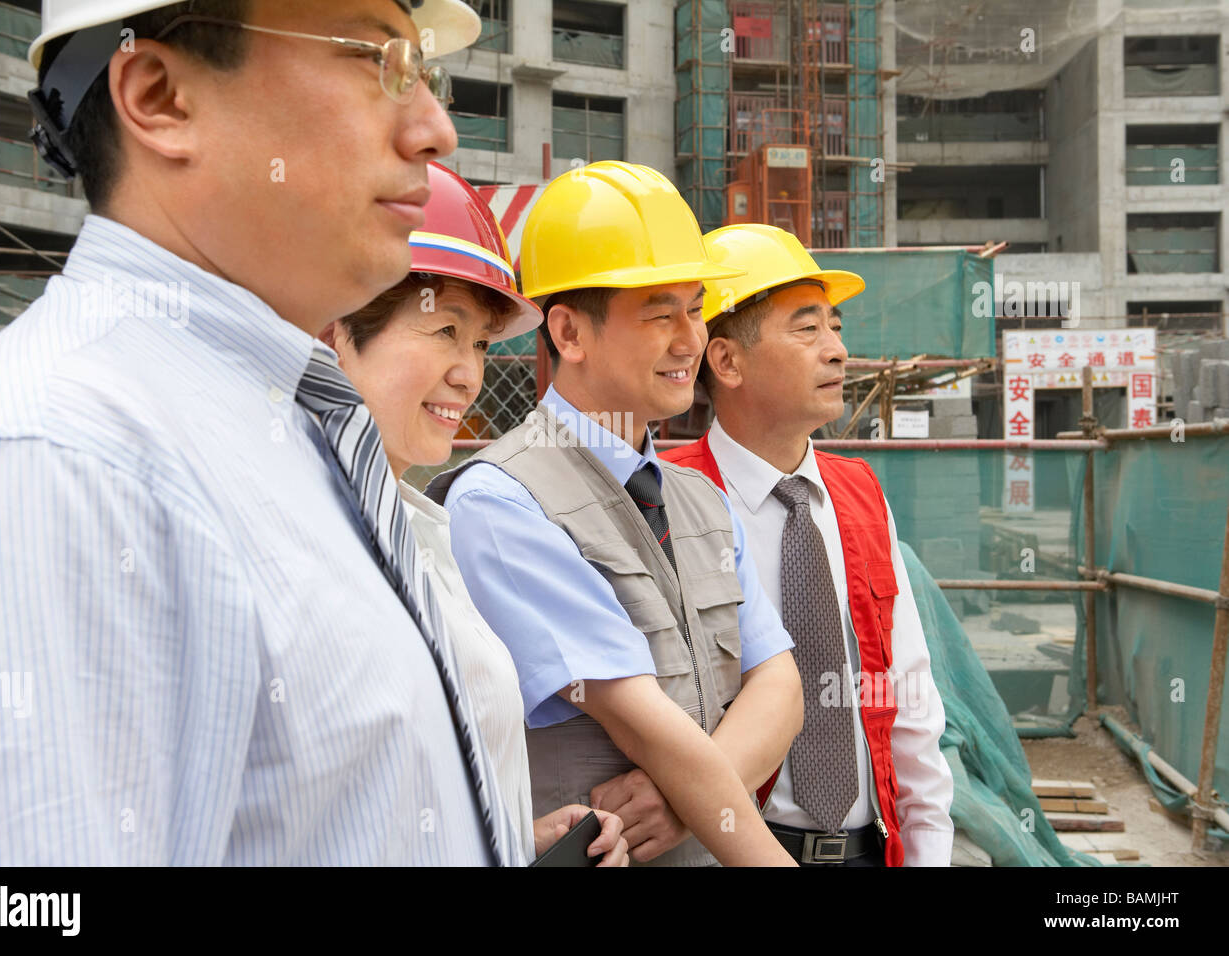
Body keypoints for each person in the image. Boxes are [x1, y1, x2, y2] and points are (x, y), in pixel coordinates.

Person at [0, 0, 528, 865]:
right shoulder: (50, 463)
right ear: (161, 97)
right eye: (373, 59)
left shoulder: (290, 425)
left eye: (421, 74)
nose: (434, 128)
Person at [426, 162, 803, 867]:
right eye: (660, 313)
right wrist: (700, 791)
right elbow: (639, 719)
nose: (690, 340)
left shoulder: (697, 501)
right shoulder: (503, 502)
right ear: (568, 332)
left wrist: (686, 802)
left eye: (695, 309)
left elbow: (778, 685)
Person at [318, 161, 627, 865]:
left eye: (481, 343)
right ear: (340, 329)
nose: (470, 372)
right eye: (443, 332)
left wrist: (514, 839)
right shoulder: (299, 532)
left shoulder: (426, 529)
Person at [661, 224, 955, 866]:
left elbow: (906, 689)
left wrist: (928, 846)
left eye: (837, 327)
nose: (837, 351)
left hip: (868, 852)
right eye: (807, 329)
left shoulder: (860, 494)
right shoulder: (668, 499)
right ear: (726, 360)